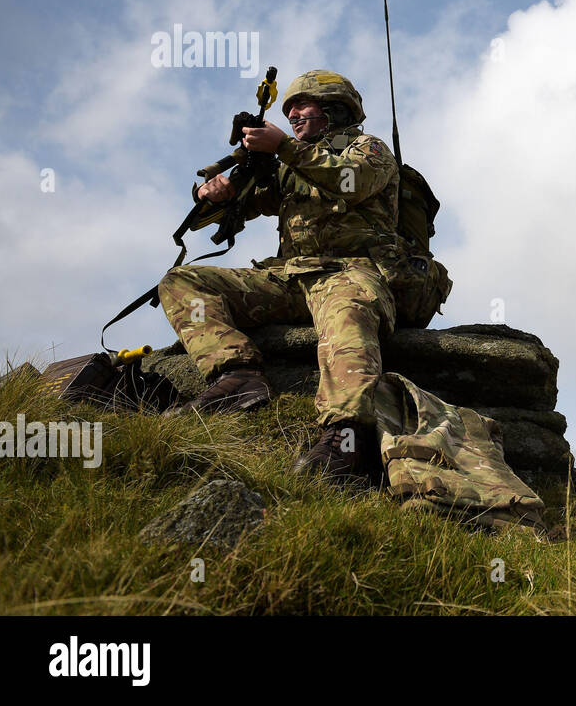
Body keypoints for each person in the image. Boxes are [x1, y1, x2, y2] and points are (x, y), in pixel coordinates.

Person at [156, 70, 410, 486]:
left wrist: (284, 148)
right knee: (182, 281)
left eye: (300, 107)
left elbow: (352, 183)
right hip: (289, 280)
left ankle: (346, 438)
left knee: (347, 316)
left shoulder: (369, 149)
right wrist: (214, 194)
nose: (291, 115)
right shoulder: (289, 168)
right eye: (287, 110)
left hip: (348, 273)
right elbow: (236, 211)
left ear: (333, 108)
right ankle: (235, 376)